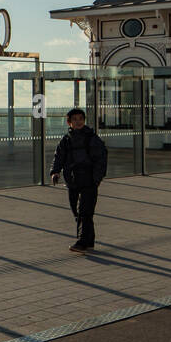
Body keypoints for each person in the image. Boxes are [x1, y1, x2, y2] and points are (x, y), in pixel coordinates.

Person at [49, 107, 108, 253]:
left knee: (85, 212)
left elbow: (101, 159)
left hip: (89, 181)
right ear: (69, 123)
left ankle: (82, 242)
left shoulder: (92, 138)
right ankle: (89, 241)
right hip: (73, 182)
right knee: (77, 212)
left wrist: (96, 179)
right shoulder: (66, 140)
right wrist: (55, 172)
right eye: (74, 119)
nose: (78, 122)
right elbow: (59, 157)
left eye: (81, 119)